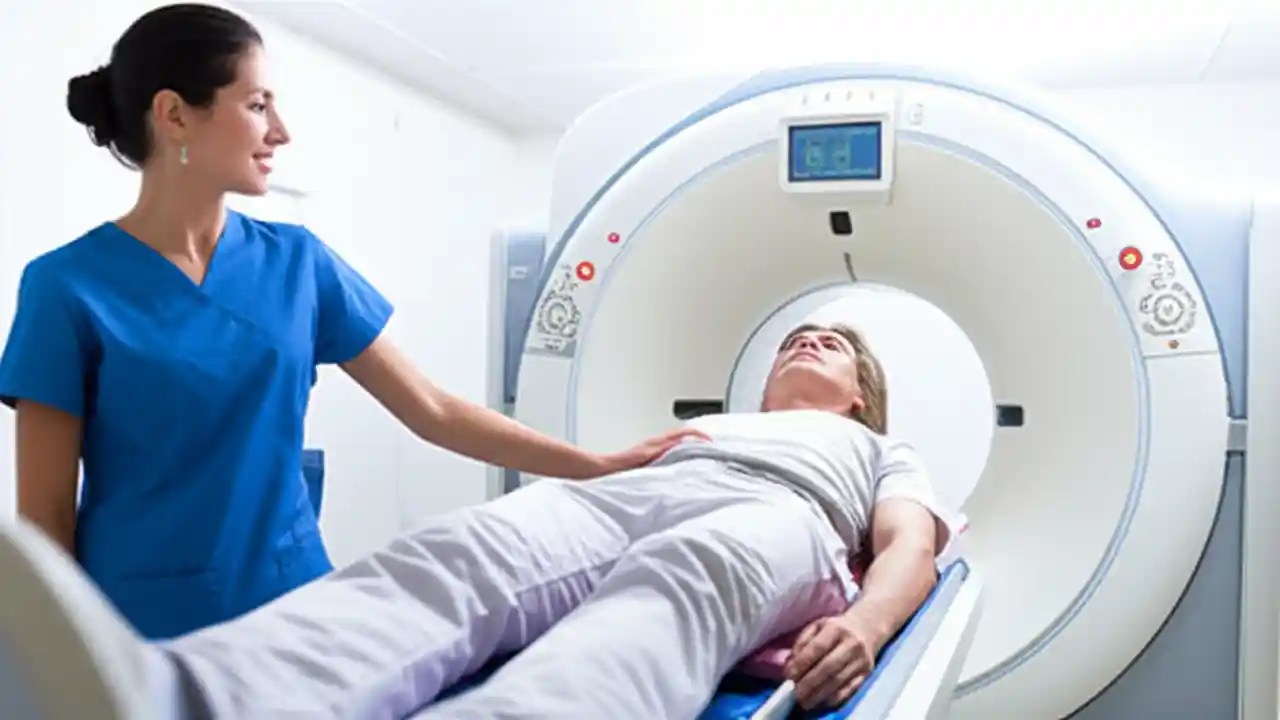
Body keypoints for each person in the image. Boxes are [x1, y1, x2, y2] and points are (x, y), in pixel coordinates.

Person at [0, 3, 700, 642]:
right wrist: (55, 665)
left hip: (291, 601)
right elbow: (45, 515)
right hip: (134, 625)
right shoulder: (67, 286)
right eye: (257, 104)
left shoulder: (297, 264)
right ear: (175, 115)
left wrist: (592, 466)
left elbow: (432, 411)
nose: (280, 131)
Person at [0, 321, 955, 719]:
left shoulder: (877, 452)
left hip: (775, 516)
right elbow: (609, 480)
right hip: (633, 491)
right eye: (796, 334)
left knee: (668, 593)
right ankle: (183, 697)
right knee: (468, 552)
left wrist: (866, 629)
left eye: (831, 345)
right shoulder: (712, 421)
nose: (808, 340)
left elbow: (908, 544)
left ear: (860, 399)